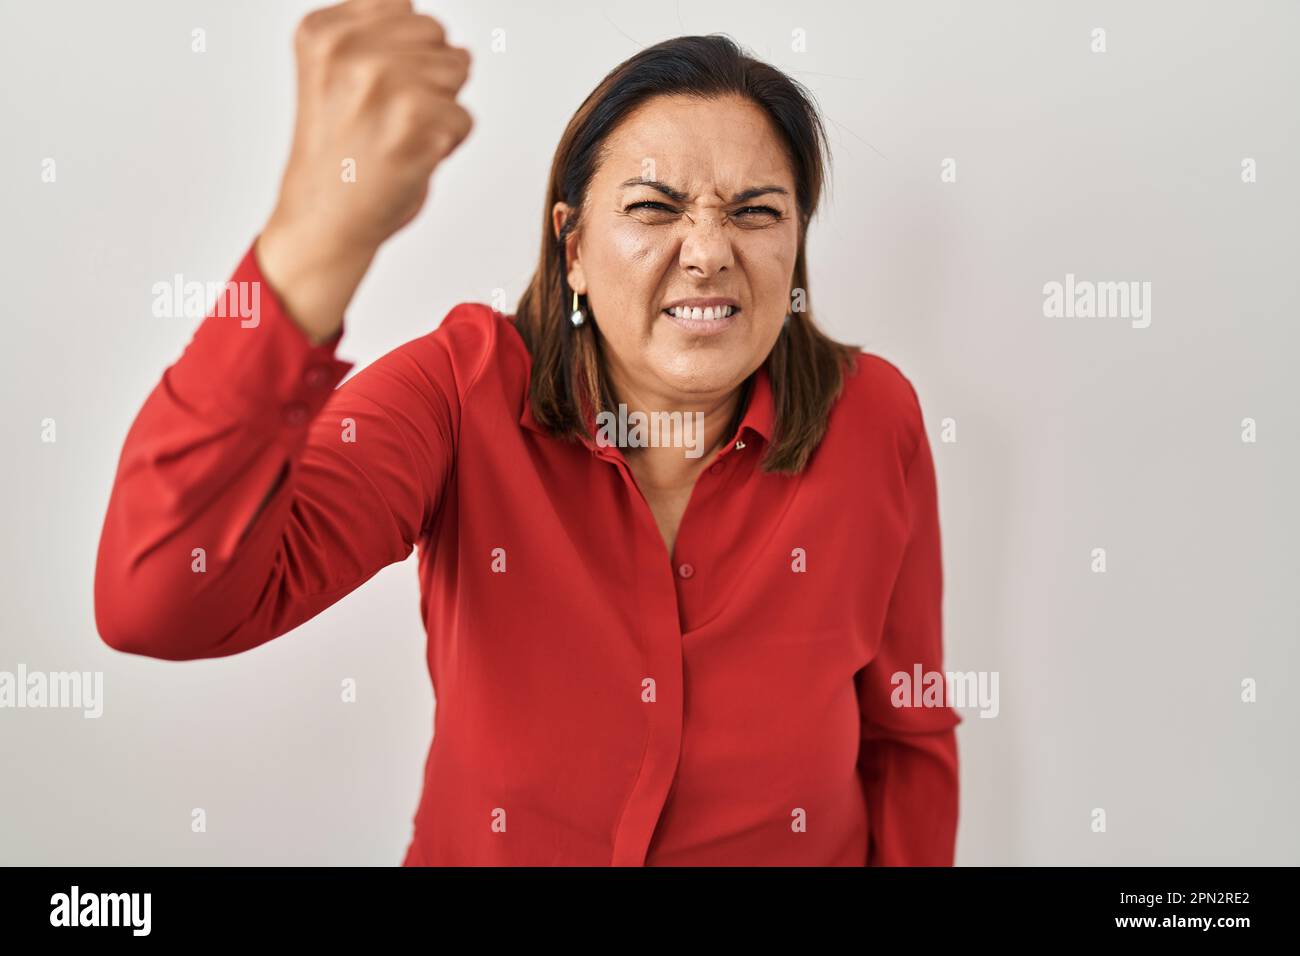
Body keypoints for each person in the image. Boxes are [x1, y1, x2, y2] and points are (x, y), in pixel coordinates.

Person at [94, 0, 962, 866]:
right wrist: (315, 240)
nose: (708, 251)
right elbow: (162, 603)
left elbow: (906, 735)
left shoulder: (876, 417)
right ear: (573, 248)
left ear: (797, 243)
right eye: (656, 208)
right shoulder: (458, 391)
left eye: (757, 212)